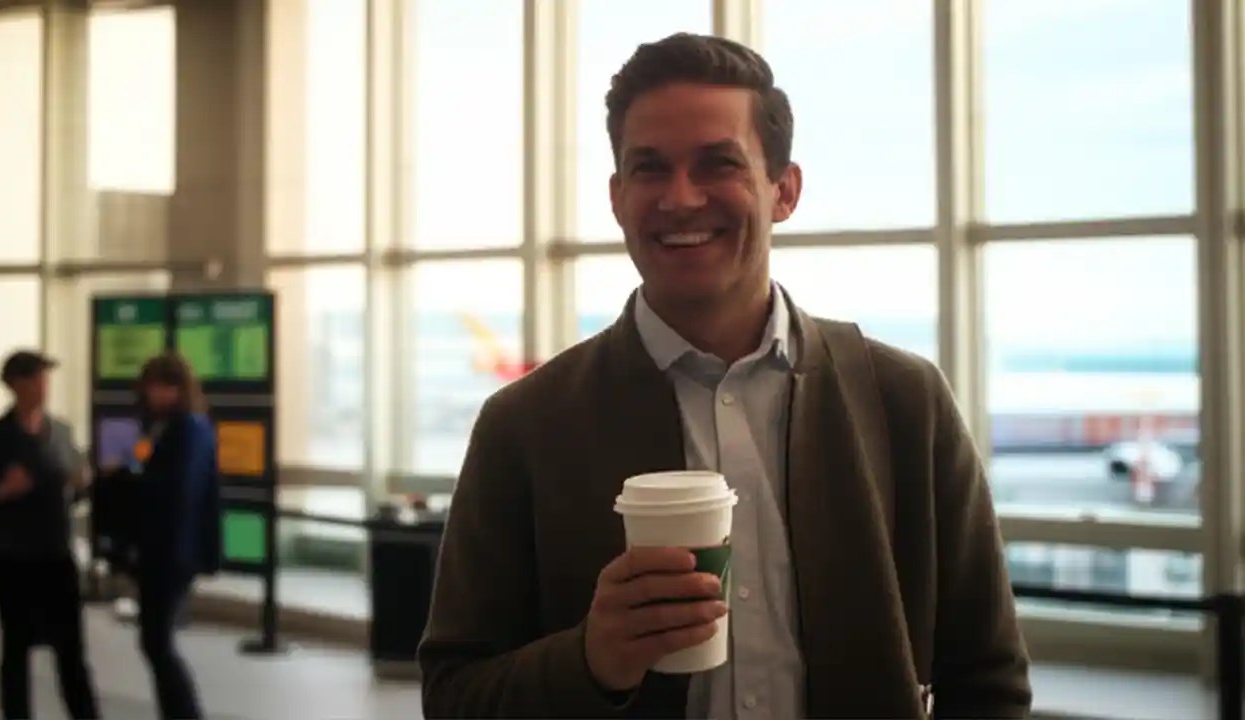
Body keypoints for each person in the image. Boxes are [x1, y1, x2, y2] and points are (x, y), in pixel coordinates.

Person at [418, 32, 1032, 718]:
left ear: (784, 190)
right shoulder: (526, 426)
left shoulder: (903, 404)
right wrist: (591, 661)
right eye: (650, 169)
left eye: (718, 164)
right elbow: (454, 697)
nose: (680, 199)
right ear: (617, 197)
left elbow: (987, 681)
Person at [0, 350, 100, 720]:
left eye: (45, 379)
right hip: (13, 559)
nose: (43, 387)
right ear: (16, 384)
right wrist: (1, 492)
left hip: (57, 554)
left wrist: (80, 485)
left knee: (71, 650)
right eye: (36, 379)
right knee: (16, 649)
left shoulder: (61, 431)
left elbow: (76, 484)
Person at [132, 352, 221, 720]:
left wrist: (130, 481)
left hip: (169, 550)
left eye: (157, 386)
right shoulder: (179, 428)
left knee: (156, 641)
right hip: (168, 549)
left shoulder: (186, 431)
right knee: (155, 640)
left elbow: (175, 490)